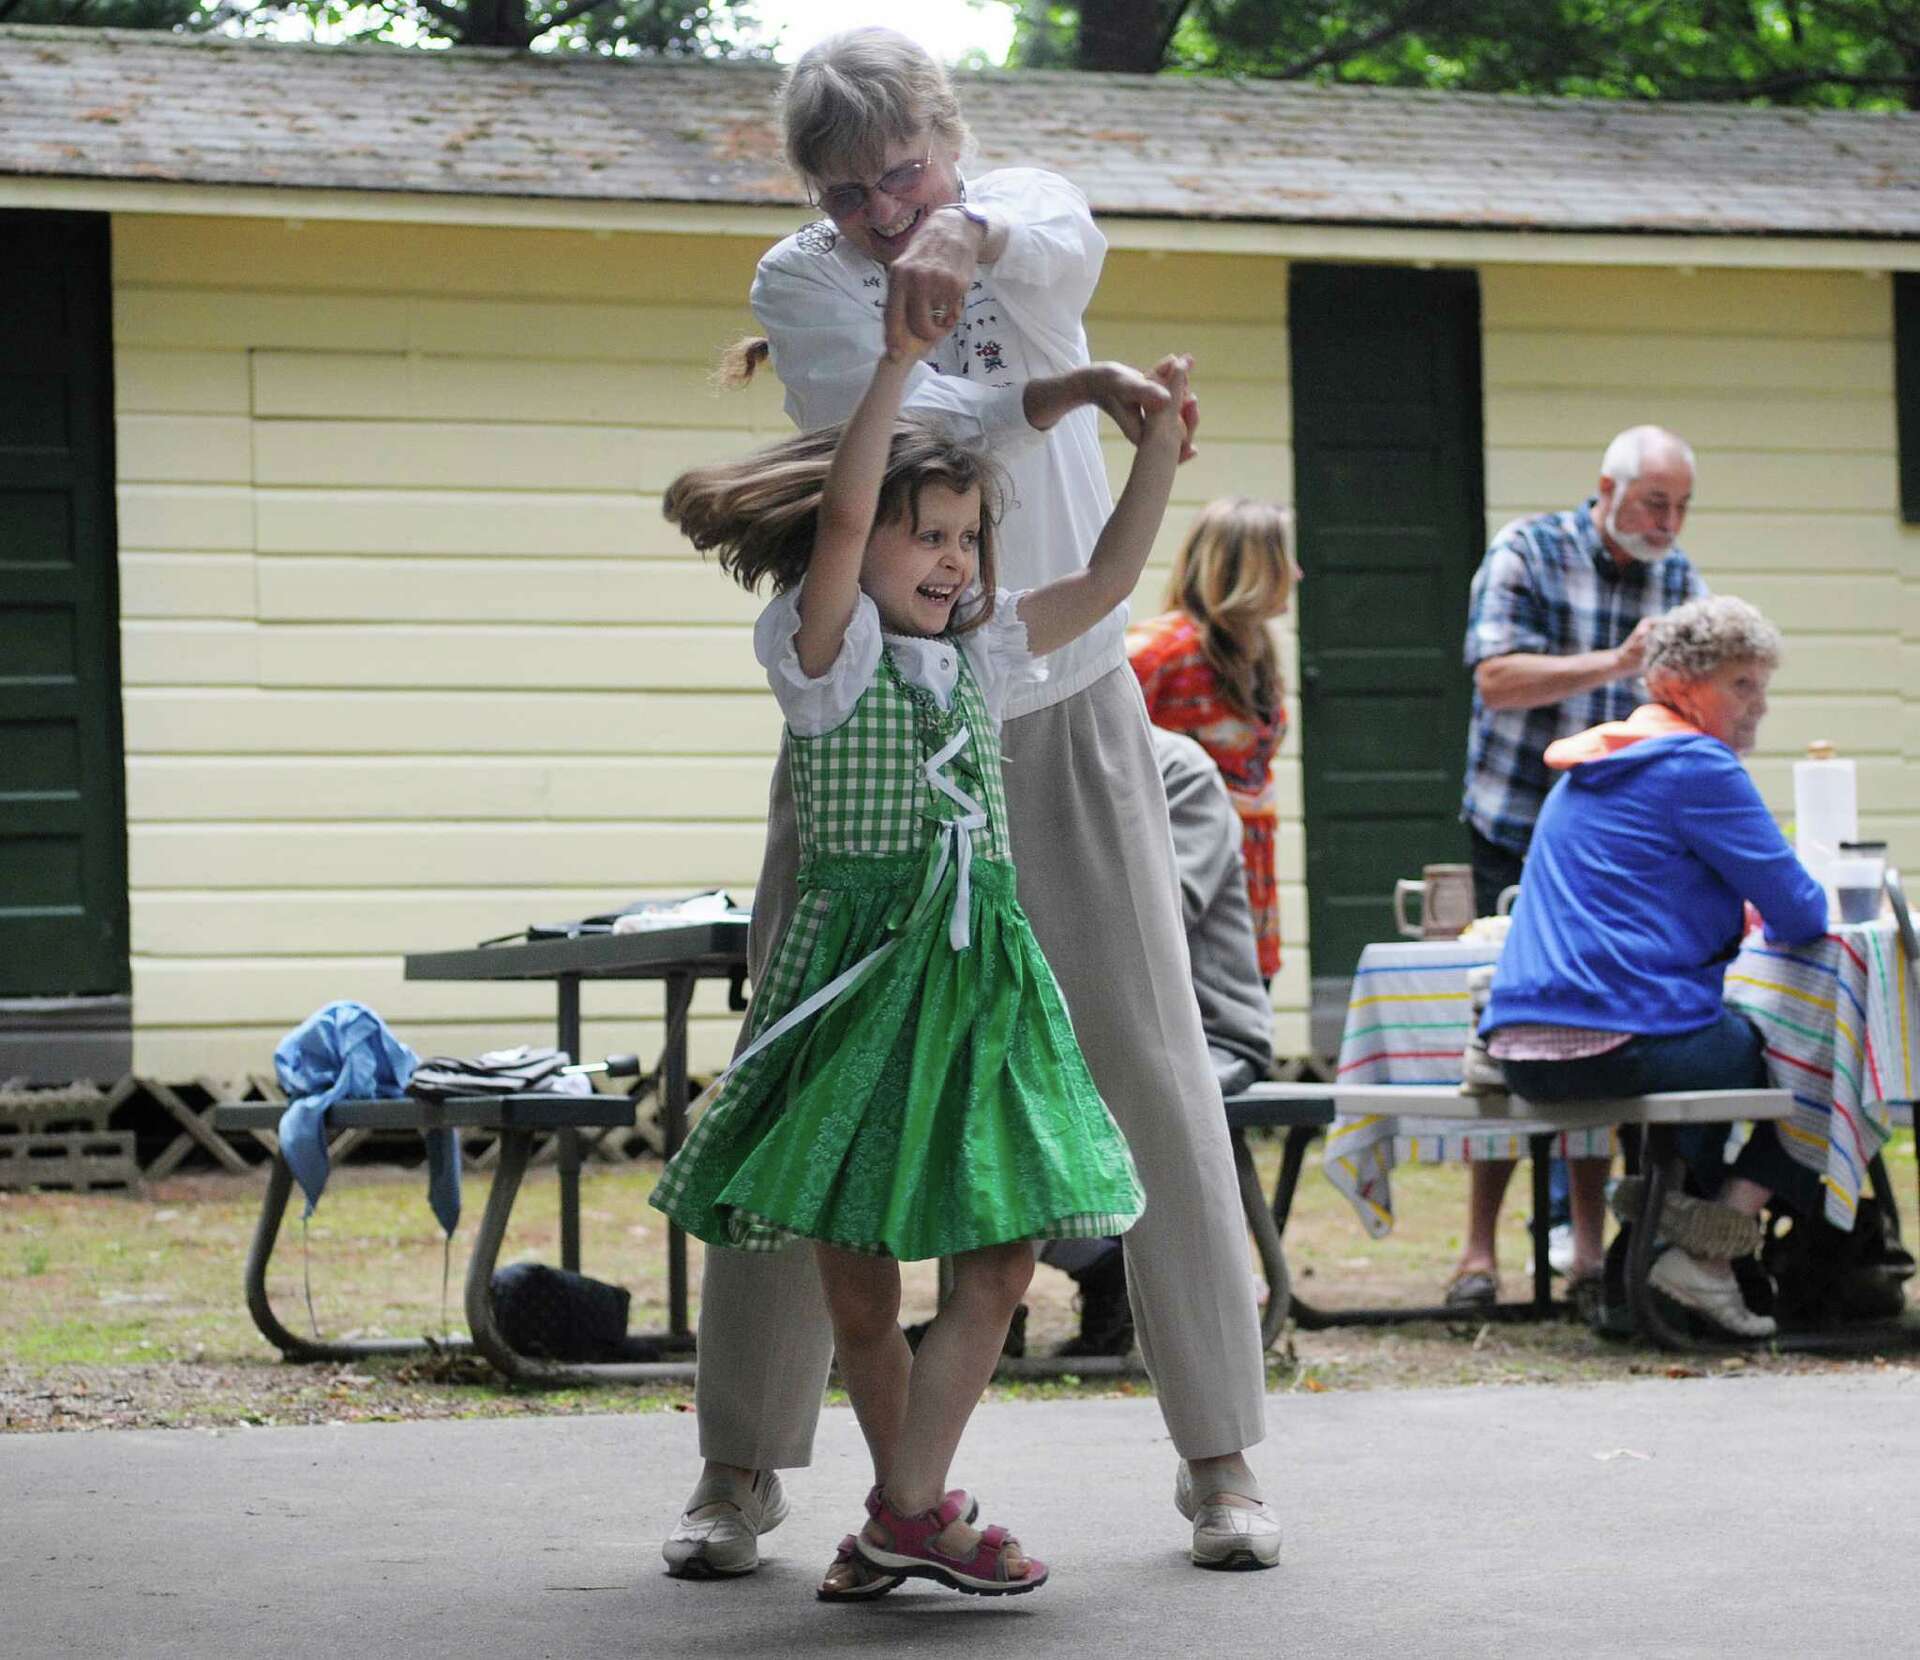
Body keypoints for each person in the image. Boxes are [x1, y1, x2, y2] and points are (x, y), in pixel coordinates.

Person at [661, 27, 1275, 1585]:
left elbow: (1058, 227)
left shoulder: (1023, 206)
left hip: (1059, 706)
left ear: (953, 139)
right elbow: (918, 464)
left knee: (1149, 1056)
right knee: (801, 1086)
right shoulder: (800, 285)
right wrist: (1061, 387)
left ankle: (1222, 1456)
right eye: (846, 188)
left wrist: (978, 242)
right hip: (878, 717)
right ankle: (740, 1465)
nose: (880, 211)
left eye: (904, 173)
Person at [1481, 595, 1828, 1341]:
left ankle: (1633, 1273)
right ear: (1681, 682)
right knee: (1816, 1067)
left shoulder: (1598, 760)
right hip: (1614, 1041)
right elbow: (1802, 913)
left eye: (1762, 686)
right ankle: (1707, 1254)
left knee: (1715, 1048)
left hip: (1519, 1046)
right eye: (1742, 685)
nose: (1759, 705)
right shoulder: (1697, 766)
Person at [1451, 425, 1707, 1308]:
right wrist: (1618, 662)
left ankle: (1592, 1257)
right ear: (1606, 487)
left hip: (1621, 855)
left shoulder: (1679, 578)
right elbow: (1494, 679)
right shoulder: (1527, 548)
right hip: (1518, 826)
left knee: (1600, 1030)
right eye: (1653, 504)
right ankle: (1480, 1254)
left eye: (1680, 508)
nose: (1668, 524)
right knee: (1503, 1034)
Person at [1043, 725, 1279, 1358]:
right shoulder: (1005, 760)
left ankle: (1111, 1266)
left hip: (1202, 1032)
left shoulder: (1178, 770)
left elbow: (1158, 915)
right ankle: (1080, 1270)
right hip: (1072, 1027)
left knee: (1017, 1097)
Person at [1127, 497, 1297, 981]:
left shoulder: (1261, 651)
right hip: (1187, 904)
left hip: (1250, 901)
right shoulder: (1161, 651)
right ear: (1252, 567)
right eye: (1286, 559)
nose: (1298, 573)